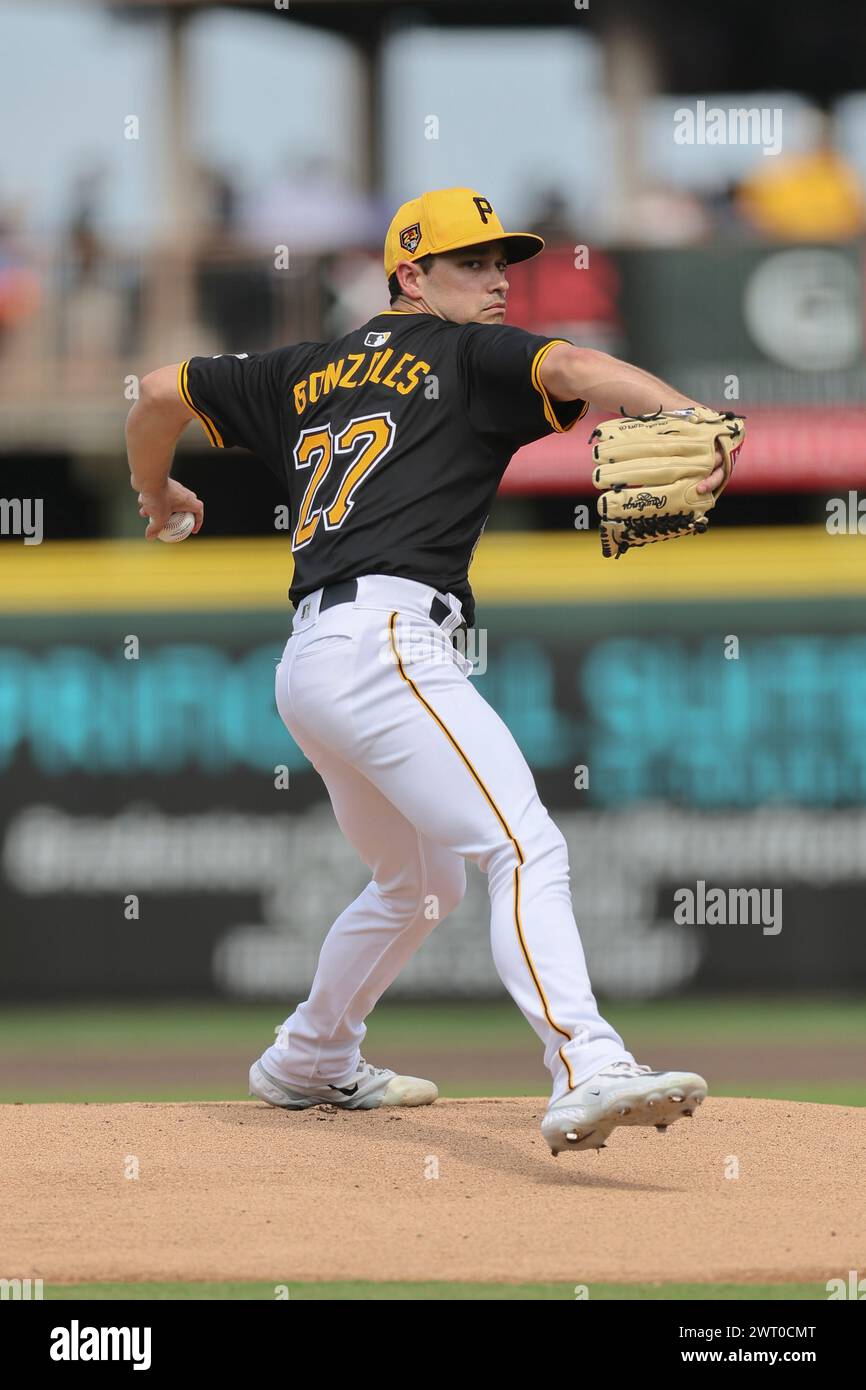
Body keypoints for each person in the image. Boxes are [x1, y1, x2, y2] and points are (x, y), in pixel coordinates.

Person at [125, 187, 726, 1156]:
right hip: (386, 644)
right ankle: (588, 1060)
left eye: (501, 264)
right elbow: (573, 362)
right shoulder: (467, 352)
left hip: (312, 662)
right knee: (524, 849)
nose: (495, 282)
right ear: (410, 273)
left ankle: (309, 1055)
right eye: (470, 264)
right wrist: (687, 412)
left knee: (417, 885)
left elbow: (155, 391)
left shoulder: (299, 367)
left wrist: (155, 491)